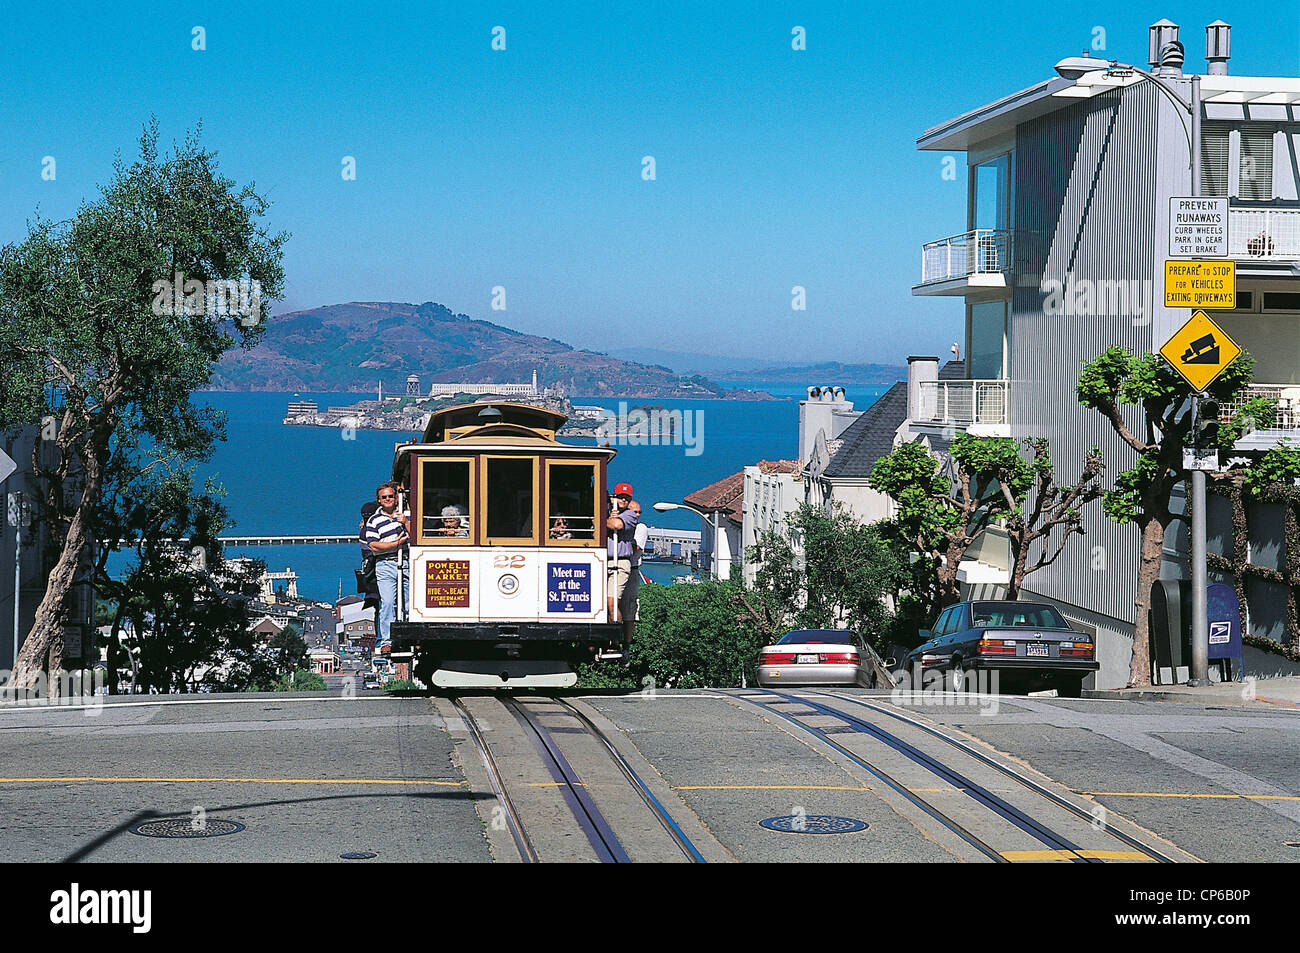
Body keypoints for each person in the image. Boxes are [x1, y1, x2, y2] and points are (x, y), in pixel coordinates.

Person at [363, 481, 409, 655]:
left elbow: (417, 538)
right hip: (385, 565)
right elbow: (374, 547)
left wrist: (406, 522)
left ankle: (407, 637)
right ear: (379, 500)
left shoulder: (406, 515)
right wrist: (396, 544)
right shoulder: (374, 521)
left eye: (391, 496)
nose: (388, 499)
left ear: (396, 498)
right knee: (388, 602)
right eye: (385, 497)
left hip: (407, 562)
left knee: (408, 603)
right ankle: (387, 641)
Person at [605, 482, 639, 654]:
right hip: (603, 561)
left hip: (621, 563)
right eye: (620, 496)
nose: (623, 500)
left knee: (612, 602)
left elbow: (616, 526)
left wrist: (607, 520)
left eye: (626, 497)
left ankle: (616, 641)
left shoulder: (630, 516)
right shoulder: (607, 510)